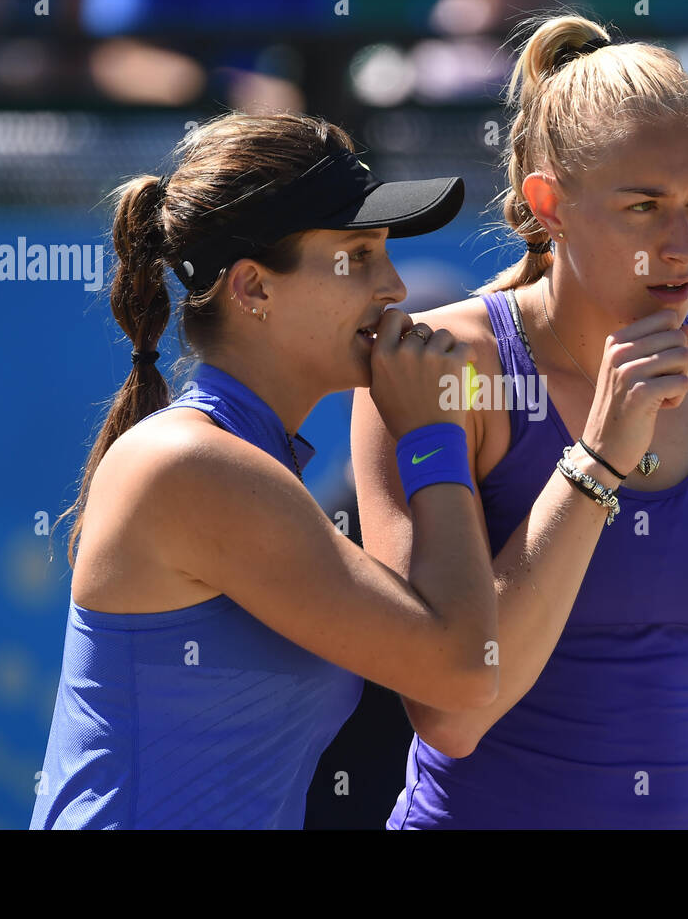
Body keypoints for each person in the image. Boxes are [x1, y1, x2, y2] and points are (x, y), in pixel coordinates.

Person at [352, 13, 688, 828]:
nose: (682, 245)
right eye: (643, 207)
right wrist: (597, 460)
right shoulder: (442, 370)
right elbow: (449, 714)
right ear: (549, 204)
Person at [31, 110, 500, 829]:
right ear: (253, 290)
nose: (396, 288)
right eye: (359, 256)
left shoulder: (244, 461)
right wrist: (435, 436)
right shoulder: (194, 467)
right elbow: (463, 674)